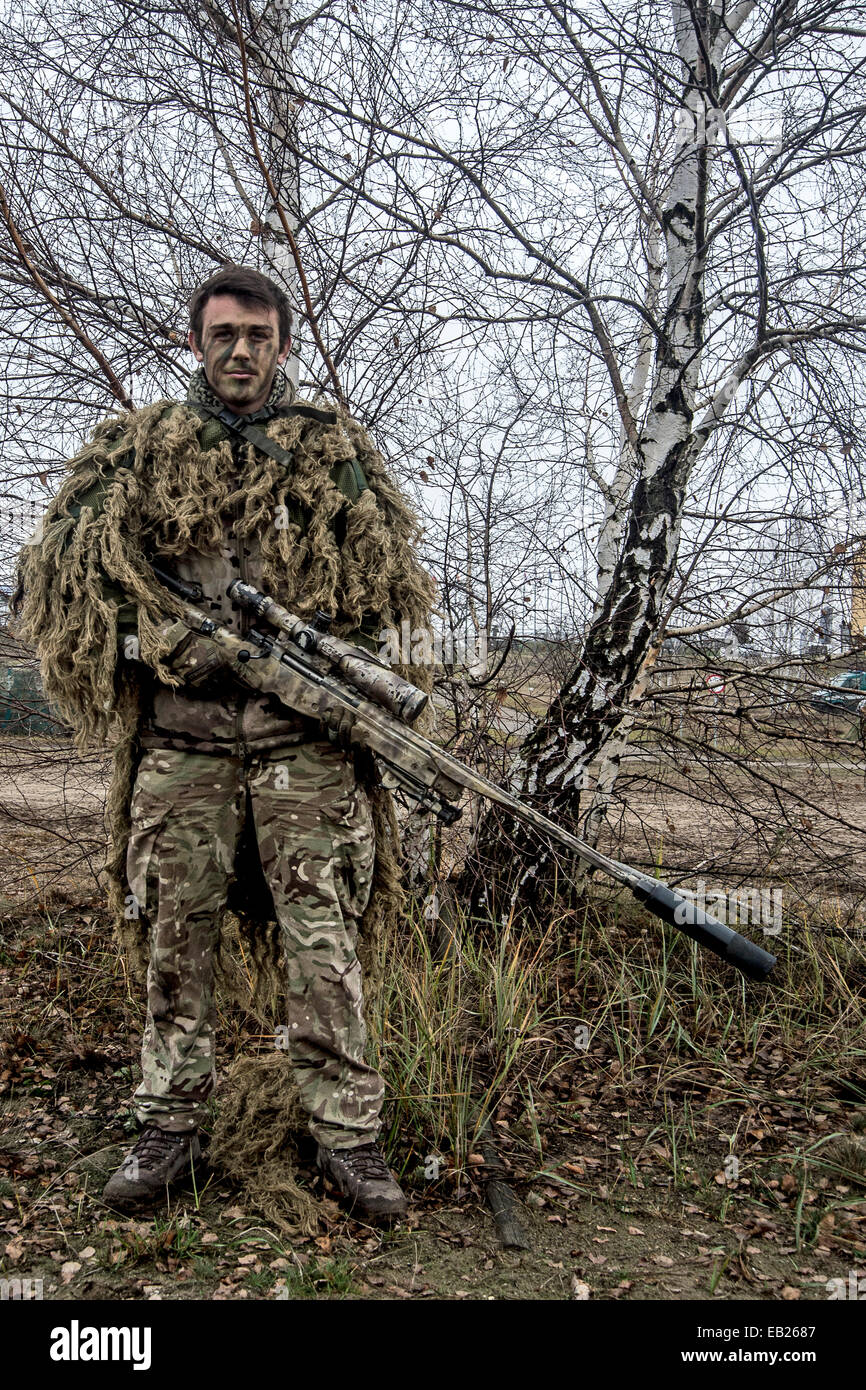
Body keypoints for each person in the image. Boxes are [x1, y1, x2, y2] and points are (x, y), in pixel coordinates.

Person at [12, 266, 435, 1222]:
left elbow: (389, 596)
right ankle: (169, 1127)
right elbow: (66, 585)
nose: (240, 349)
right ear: (196, 342)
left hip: (305, 750)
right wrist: (166, 640)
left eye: (257, 333)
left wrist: (323, 664)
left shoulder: (331, 455)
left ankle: (348, 1140)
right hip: (183, 749)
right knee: (173, 942)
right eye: (223, 334)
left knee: (326, 949)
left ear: (282, 342)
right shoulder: (139, 451)